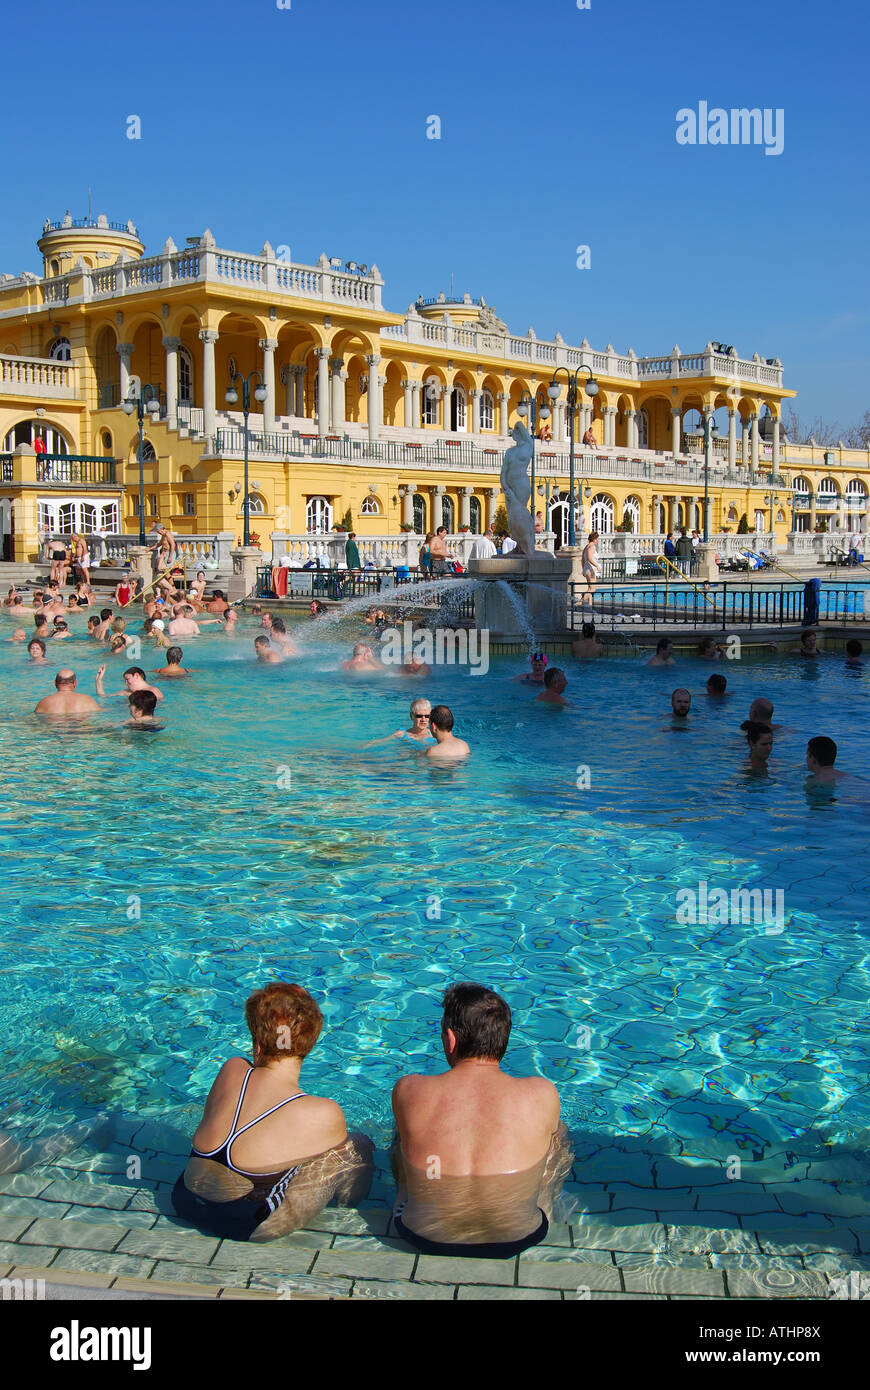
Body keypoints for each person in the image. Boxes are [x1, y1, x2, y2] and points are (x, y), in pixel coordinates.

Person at [172, 982, 374, 1241]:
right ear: (311, 1042)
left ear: (257, 1044)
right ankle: (349, 1211)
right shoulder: (324, 1111)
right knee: (355, 1145)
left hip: (184, 1199)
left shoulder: (232, 1069)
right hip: (246, 1224)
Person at [391, 983, 572, 1256]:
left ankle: (404, 1198)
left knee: (401, 1131)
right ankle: (544, 1202)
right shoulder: (542, 1093)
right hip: (518, 1235)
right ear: (504, 1039)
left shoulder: (409, 1089)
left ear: (450, 1039)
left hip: (424, 1233)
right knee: (557, 1133)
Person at [363, 698, 435, 748]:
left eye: (427, 716)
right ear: (411, 716)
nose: (423, 719)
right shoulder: (402, 734)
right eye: (419, 716)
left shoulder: (434, 734)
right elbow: (380, 741)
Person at [35, 669, 99, 716]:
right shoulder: (87, 700)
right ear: (75, 683)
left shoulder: (43, 703)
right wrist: (99, 682)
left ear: (55, 683)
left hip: (55, 729)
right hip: (78, 729)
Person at [96, 664, 166, 703]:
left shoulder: (153, 691)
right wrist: (98, 680)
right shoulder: (126, 692)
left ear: (136, 675)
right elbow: (103, 697)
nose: (126, 683)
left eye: (127, 679)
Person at [580, 531, 601, 601]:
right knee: (592, 589)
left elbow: (583, 559)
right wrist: (597, 566)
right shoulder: (592, 546)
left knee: (590, 588)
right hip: (591, 569)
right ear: (594, 539)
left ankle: (590, 604)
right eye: (597, 539)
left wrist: (583, 569)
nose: (597, 541)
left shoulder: (586, 546)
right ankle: (579, 602)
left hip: (586, 568)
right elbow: (589, 558)